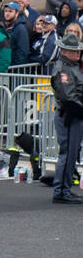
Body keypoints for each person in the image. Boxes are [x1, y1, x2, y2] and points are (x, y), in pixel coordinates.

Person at [49, 33, 83, 203]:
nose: (78, 53)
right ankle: (61, 190)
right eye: (74, 51)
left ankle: (64, 188)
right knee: (68, 152)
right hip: (69, 114)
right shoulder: (64, 69)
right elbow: (68, 96)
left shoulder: (72, 66)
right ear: (64, 51)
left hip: (73, 114)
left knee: (71, 152)